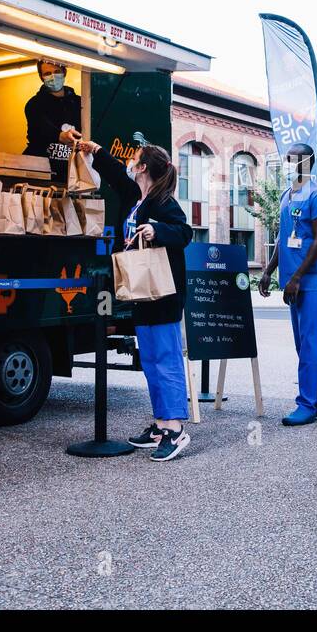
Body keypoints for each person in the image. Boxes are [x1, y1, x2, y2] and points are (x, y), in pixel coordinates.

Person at [78, 138, 194, 461]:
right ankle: (160, 424)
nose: (130, 161)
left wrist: (157, 231)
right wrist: (95, 151)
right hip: (142, 292)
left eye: (135, 158)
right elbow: (115, 173)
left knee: (165, 358)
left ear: (143, 168)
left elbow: (184, 232)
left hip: (164, 293)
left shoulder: (162, 201)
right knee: (150, 360)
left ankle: (175, 429)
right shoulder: (135, 197)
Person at [257, 143, 317, 426]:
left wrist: (297, 277)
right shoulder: (285, 195)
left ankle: (306, 404)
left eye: (294, 159)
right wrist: (268, 270)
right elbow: (283, 238)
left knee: (310, 343)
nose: (288, 163)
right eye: (287, 159)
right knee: (305, 343)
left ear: (308, 162)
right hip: (294, 281)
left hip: (313, 281)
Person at [23, 59, 82, 183]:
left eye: (57, 71)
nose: (53, 76)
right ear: (41, 77)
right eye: (47, 73)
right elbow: (41, 128)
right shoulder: (34, 104)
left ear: (64, 72)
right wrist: (59, 136)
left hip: (75, 174)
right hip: (42, 175)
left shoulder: (79, 103)